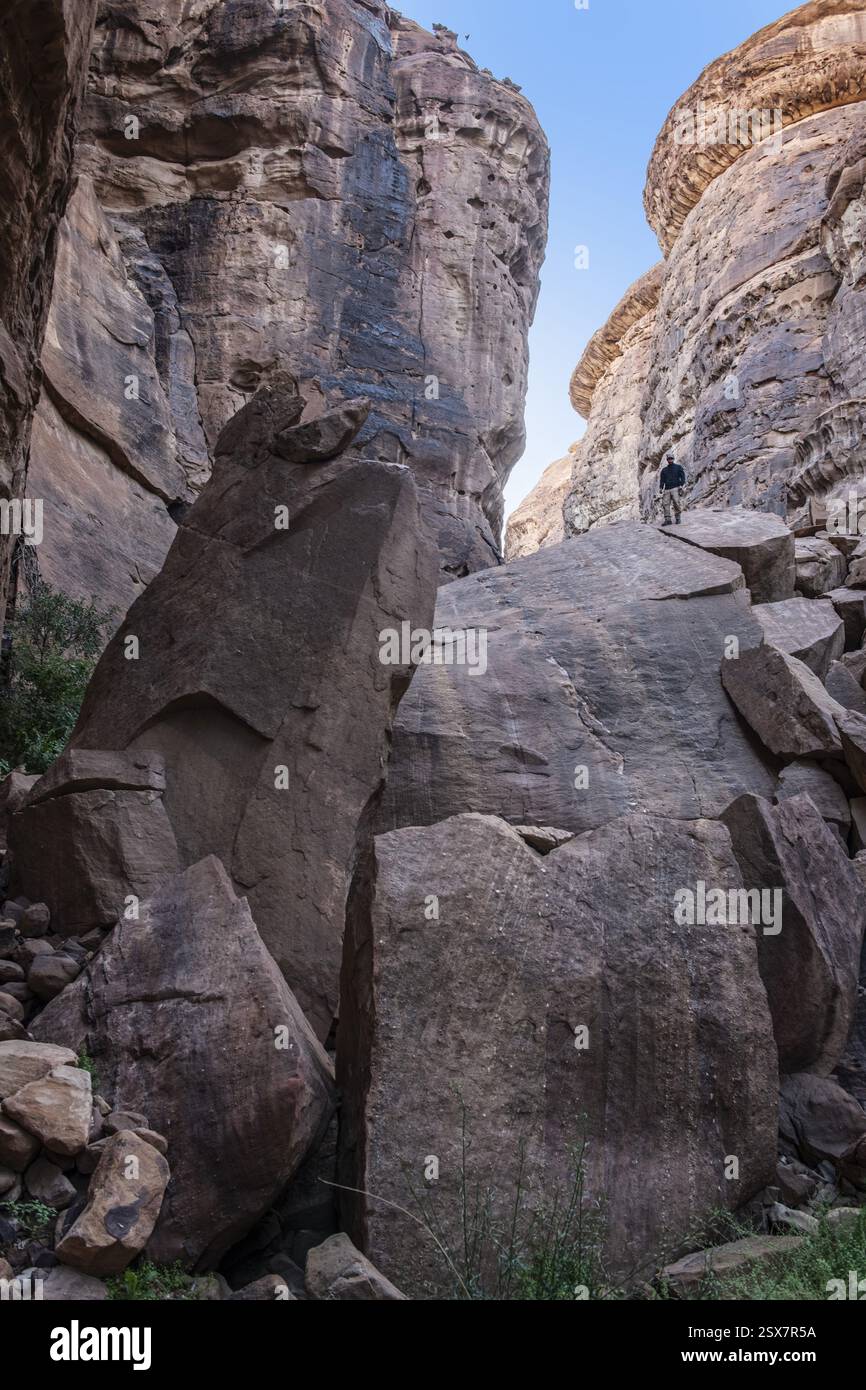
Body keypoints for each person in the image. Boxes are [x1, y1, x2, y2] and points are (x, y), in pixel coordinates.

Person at [659, 452, 686, 525]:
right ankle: (668, 520)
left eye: (671, 458)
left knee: (676, 503)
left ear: (673, 459)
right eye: (669, 459)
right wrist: (661, 488)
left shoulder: (678, 467)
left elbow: (682, 476)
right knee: (665, 504)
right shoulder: (664, 470)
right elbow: (662, 480)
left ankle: (678, 518)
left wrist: (681, 484)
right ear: (667, 460)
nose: (670, 460)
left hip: (675, 488)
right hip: (667, 489)